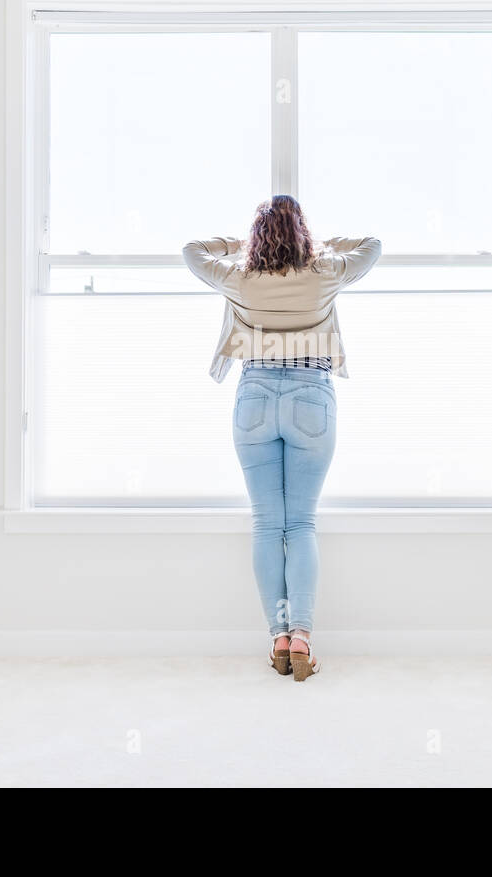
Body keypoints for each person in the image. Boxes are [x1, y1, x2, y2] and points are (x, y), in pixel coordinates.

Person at [183, 195, 381, 681]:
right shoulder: (324, 271)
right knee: (302, 525)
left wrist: (237, 243)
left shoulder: (240, 278)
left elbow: (192, 251)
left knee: (268, 524)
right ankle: (303, 638)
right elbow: (372, 247)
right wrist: (321, 242)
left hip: (254, 396)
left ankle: (277, 634)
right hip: (310, 395)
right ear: (302, 235)